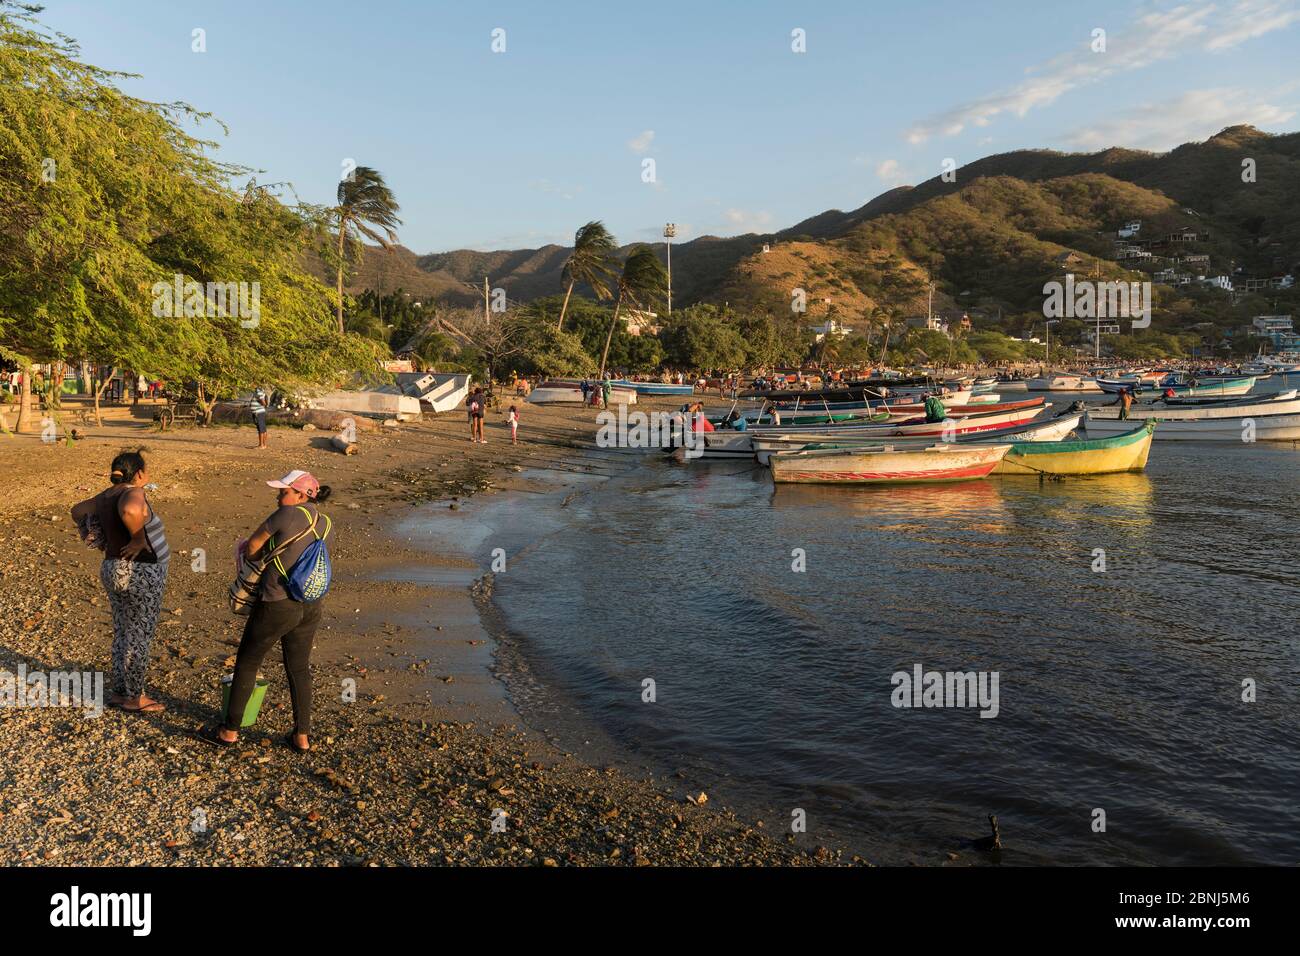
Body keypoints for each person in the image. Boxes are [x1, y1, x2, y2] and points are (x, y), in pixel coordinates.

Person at [210, 471, 332, 752]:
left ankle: (229, 732)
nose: (279, 496)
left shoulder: (286, 515)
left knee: (248, 663)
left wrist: (253, 561)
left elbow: (253, 545)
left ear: (302, 495)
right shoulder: (326, 523)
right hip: (309, 605)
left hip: (276, 603)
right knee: (299, 668)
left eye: (284, 491)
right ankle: (302, 736)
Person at [70, 451, 170, 713]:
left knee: (123, 631)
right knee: (140, 635)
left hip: (112, 566)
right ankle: (135, 698)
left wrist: (98, 532)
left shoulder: (105, 496)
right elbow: (130, 509)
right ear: (138, 474)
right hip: (141, 571)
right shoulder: (133, 492)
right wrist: (137, 538)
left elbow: (77, 510)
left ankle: (118, 692)